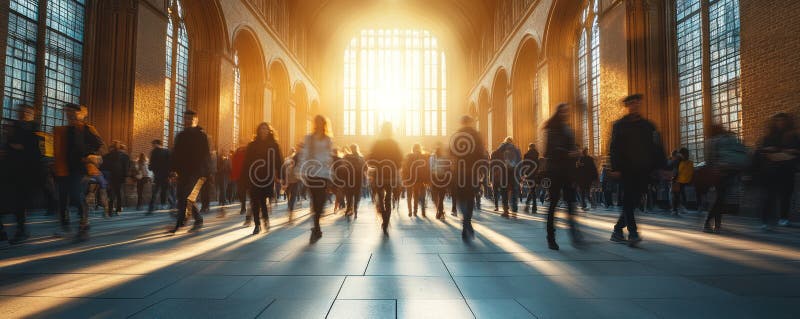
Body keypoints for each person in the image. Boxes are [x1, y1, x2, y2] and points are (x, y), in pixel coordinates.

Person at [608, 94, 667, 247]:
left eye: (637, 103)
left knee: (634, 202)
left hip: (644, 170)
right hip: (626, 170)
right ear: (627, 106)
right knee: (628, 200)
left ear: (640, 104)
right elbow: (614, 148)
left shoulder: (649, 126)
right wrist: (615, 168)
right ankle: (633, 233)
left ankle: (617, 230)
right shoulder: (619, 125)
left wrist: (661, 167)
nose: (634, 106)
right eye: (631, 104)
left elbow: (657, 147)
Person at [53, 104, 105, 241]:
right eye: (67, 111)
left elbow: (99, 144)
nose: (69, 114)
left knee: (76, 196)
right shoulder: (61, 130)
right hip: (62, 169)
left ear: (78, 113)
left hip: (79, 168)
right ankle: (65, 226)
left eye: (72, 112)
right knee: (62, 198)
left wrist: (87, 155)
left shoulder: (86, 129)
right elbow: (57, 150)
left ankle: (84, 223)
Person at [1, 105, 43, 244]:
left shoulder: (33, 128)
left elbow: (33, 149)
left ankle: (21, 230)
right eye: (21, 111)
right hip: (9, 169)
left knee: (18, 202)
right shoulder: (15, 126)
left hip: (24, 172)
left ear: (32, 114)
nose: (24, 114)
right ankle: (10, 231)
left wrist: (17, 146)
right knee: (8, 200)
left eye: (28, 112)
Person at [543, 103, 581, 250]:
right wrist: (569, 154)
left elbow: (571, 148)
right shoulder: (552, 129)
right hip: (554, 172)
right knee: (553, 205)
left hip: (567, 172)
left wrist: (575, 152)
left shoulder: (568, 128)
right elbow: (549, 152)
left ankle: (574, 233)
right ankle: (551, 237)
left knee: (571, 202)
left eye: (567, 111)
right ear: (558, 113)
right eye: (564, 112)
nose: (566, 114)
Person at [755, 113, 799, 228]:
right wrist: (767, 149)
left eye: (783, 120)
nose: (780, 123)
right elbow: (760, 152)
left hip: (787, 169)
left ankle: (783, 218)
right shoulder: (769, 136)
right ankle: (765, 220)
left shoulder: (793, 135)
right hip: (771, 170)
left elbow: (797, 150)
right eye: (778, 121)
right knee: (769, 196)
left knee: (786, 195)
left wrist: (792, 152)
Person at [170, 109, 211, 233]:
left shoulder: (202, 136)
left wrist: (206, 172)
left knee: (187, 195)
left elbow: (206, 155)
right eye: (186, 119)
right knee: (182, 196)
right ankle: (196, 219)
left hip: (197, 172)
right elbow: (175, 154)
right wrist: (173, 170)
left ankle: (181, 222)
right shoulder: (181, 136)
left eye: (190, 119)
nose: (187, 121)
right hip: (183, 172)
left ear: (196, 120)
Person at [704, 124, 747, 233]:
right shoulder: (722, 140)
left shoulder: (711, 141)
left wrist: (712, 169)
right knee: (720, 199)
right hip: (725, 172)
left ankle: (717, 224)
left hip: (719, 172)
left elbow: (709, 159)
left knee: (720, 198)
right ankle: (709, 222)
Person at [450, 115, 487, 240]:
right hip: (472, 170)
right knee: (470, 197)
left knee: (460, 197)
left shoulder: (456, 135)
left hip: (459, 171)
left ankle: (465, 220)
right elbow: (482, 153)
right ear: (470, 122)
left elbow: (451, 153)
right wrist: (482, 169)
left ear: (461, 123)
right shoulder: (476, 135)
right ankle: (467, 221)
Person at [242, 123, 283, 234]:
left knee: (263, 199)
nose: (263, 130)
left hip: (267, 176)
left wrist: (280, 175)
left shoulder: (274, 145)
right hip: (253, 176)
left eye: (265, 129)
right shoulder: (252, 145)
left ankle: (265, 219)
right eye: (261, 128)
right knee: (255, 200)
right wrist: (245, 177)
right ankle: (257, 224)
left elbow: (278, 160)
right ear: (258, 131)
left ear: (269, 131)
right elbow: (247, 162)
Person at [299, 115, 334, 241]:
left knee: (321, 200)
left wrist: (330, 174)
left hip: (323, 173)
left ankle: (316, 225)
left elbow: (330, 157)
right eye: (317, 122)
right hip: (312, 173)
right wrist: (302, 170)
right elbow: (305, 154)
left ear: (324, 124)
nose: (318, 124)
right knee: (314, 200)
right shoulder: (309, 138)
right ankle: (316, 226)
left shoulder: (328, 139)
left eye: (321, 122)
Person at [367, 122, 403, 235]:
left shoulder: (378, 143)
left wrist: (376, 165)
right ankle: (386, 220)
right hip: (390, 175)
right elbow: (400, 159)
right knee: (388, 198)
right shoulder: (394, 143)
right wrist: (394, 167)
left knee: (381, 197)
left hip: (379, 175)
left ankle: (384, 216)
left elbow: (370, 158)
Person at [491, 137, 522, 218]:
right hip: (514, 172)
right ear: (512, 142)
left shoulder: (501, 149)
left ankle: (506, 211)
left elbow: (494, 156)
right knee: (514, 190)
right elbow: (520, 162)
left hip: (504, 173)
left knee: (504, 191)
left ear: (505, 142)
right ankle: (514, 208)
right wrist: (519, 174)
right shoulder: (516, 150)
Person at [403, 144, 429, 217]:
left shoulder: (408, 156)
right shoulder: (423, 157)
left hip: (410, 179)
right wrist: (426, 179)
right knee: (416, 196)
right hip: (418, 180)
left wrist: (404, 178)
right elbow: (426, 169)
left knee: (409, 196)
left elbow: (404, 168)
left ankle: (410, 211)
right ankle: (415, 211)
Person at [342, 144, 366, 218]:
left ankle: (349, 208)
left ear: (350, 149)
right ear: (357, 149)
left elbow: (343, 167)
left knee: (349, 195)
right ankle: (355, 209)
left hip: (348, 179)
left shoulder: (346, 157)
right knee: (357, 196)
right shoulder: (361, 158)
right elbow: (365, 168)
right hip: (358, 180)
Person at [148, 140, 171, 214]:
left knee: (156, 191)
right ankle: (164, 204)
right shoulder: (167, 151)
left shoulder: (154, 152)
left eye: (153, 144)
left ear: (157, 144)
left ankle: (151, 207)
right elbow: (170, 163)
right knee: (164, 190)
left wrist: (151, 168)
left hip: (157, 174)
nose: (153, 146)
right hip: (165, 174)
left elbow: (151, 164)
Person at [429, 143, 450, 220]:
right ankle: (440, 212)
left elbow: (430, 168)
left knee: (435, 196)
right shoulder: (444, 158)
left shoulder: (431, 157)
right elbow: (448, 168)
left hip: (434, 178)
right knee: (441, 196)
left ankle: (439, 211)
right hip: (443, 178)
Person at [671, 148, 694, 215]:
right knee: (678, 194)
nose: (687, 156)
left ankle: (676, 209)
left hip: (679, 180)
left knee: (677, 194)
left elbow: (676, 170)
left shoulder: (678, 160)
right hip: (680, 180)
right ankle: (677, 209)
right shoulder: (680, 160)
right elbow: (676, 170)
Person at [231, 140, 248, 218]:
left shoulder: (248, 150)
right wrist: (233, 175)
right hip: (239, 175)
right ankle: (243, 206)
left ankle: (245, 207)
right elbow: (233, 163)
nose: (242, 144)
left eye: (243, 143)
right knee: (241, 192)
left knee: (249, 192)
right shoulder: (237, 151)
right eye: (241, 143)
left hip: (247, 175)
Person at [522, 143, 540, 213]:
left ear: (529, 147)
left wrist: (523, 174)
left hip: (529, 175)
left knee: (532, 190)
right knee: (532, 190)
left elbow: (524, 165)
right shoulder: (537, 155)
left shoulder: (526, 155)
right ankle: (529, 205)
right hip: (535, 174)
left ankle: (533, 207)